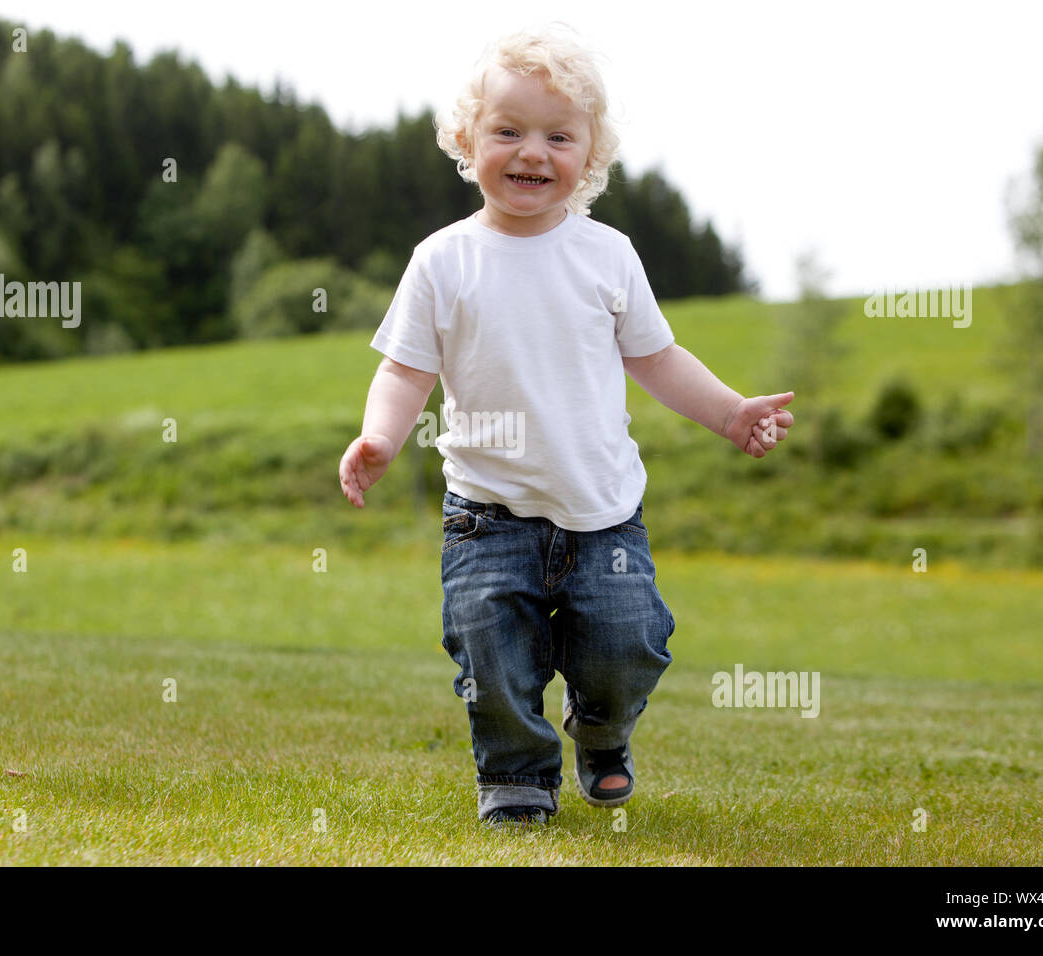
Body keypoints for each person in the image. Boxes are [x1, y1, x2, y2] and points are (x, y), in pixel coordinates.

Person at [338, 22, 794, 829]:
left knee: (628, 648)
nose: (531, 152)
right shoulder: (442, 260)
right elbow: (404, 369)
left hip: (602, 516)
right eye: (507, 131)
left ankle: (604, 728)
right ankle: (516, 778)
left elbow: (658, 358)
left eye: (558, 135)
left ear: (589, 155)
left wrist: (731, 413)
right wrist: (381, 437)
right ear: (466, 141)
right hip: (486, 518)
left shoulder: (608, 254)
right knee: (492, 660)